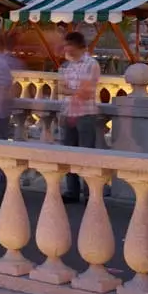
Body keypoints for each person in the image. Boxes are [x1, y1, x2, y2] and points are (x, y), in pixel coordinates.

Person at [58, 30, 102, 202]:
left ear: (79, 47)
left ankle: (89, 192)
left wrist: (71, 91)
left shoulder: (91, 64)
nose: (67, 49)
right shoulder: (66, 66)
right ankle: (72, 191)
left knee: (86, 154)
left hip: (85, 113)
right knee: (68, 154)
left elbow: (86, 92)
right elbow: (60, 88)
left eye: (69, 46)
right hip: (68, 112)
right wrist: (74, 91)